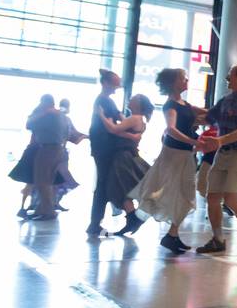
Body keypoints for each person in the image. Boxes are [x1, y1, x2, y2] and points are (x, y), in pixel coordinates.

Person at [131, 68, 210, 253]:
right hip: (174, 154)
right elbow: (172, 129)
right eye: (183, 78)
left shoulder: (184, 104)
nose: (186, 81)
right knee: (168, 191)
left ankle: (172, 234)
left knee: (183, 194)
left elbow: (203, 116)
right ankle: (141, 218)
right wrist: (194, 141)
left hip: (184, 154)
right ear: (174, 82)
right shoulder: (171, 106)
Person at [196, 63, 237, 256]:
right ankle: (217, 239)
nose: (227, 78)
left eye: (231, 74)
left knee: (231, 198)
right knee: (212, 196)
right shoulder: (225, 100)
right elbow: (207, 117)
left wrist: (219, 140)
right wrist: (179, 109)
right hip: (223, 152)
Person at [96, 94, 153, 235]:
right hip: (127, 156)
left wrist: (101, 116)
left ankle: (133, 218)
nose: (130, 99)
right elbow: (124, 129)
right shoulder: (137, 119)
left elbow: (113, 129)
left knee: (119, 187)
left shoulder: (135, 119)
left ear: (138, 104)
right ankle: (132, 218)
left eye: (133, 99)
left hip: (123, 157)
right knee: (122, 188)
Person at [21, 95, 82, 220]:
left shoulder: (49, 115)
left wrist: (42, 114)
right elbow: (71, 135)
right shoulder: (63, 117)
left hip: (47, 149)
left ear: (44, 103)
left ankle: (47, 211)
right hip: (59, 150)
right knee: (48, 182)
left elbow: (29, 124)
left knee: (41, 181)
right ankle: (44, 209)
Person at [87, 69, 126, 238]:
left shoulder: (104, 101)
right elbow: (118, 122)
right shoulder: (105, 101)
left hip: (100, 147)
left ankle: (96, 222)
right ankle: (95, 222)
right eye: (115, 82)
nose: (118, 85)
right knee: (103, 184)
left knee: (103, 183)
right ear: (106, 83)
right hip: (105, 148)